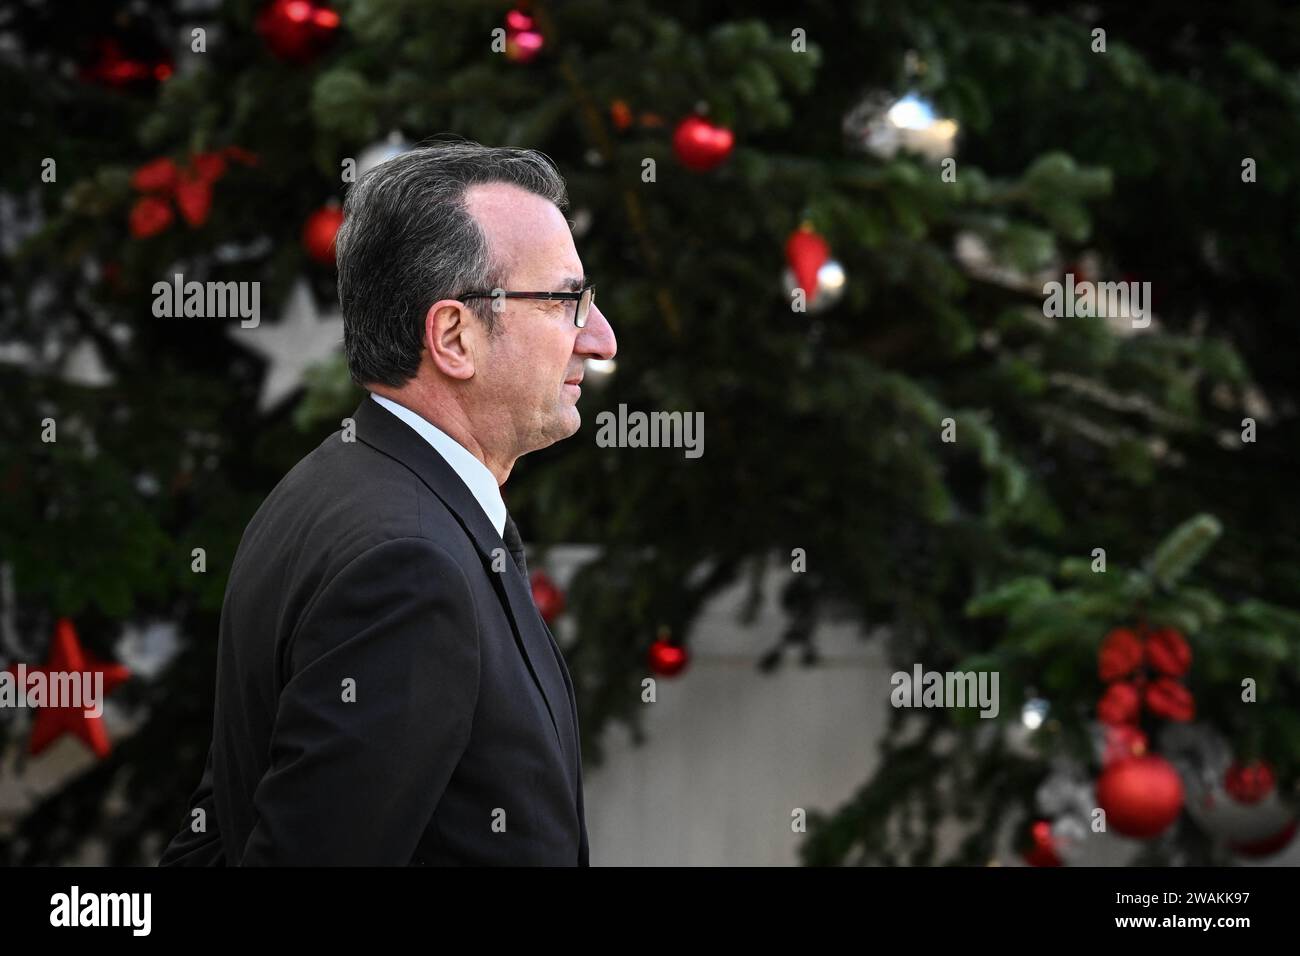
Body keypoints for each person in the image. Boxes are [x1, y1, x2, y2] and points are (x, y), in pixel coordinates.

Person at [158, 141, 616, 865]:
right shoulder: (408, 564)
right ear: (453, 337)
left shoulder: (331, 489)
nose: (599, 338)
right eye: (566, 301)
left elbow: (219, 834)